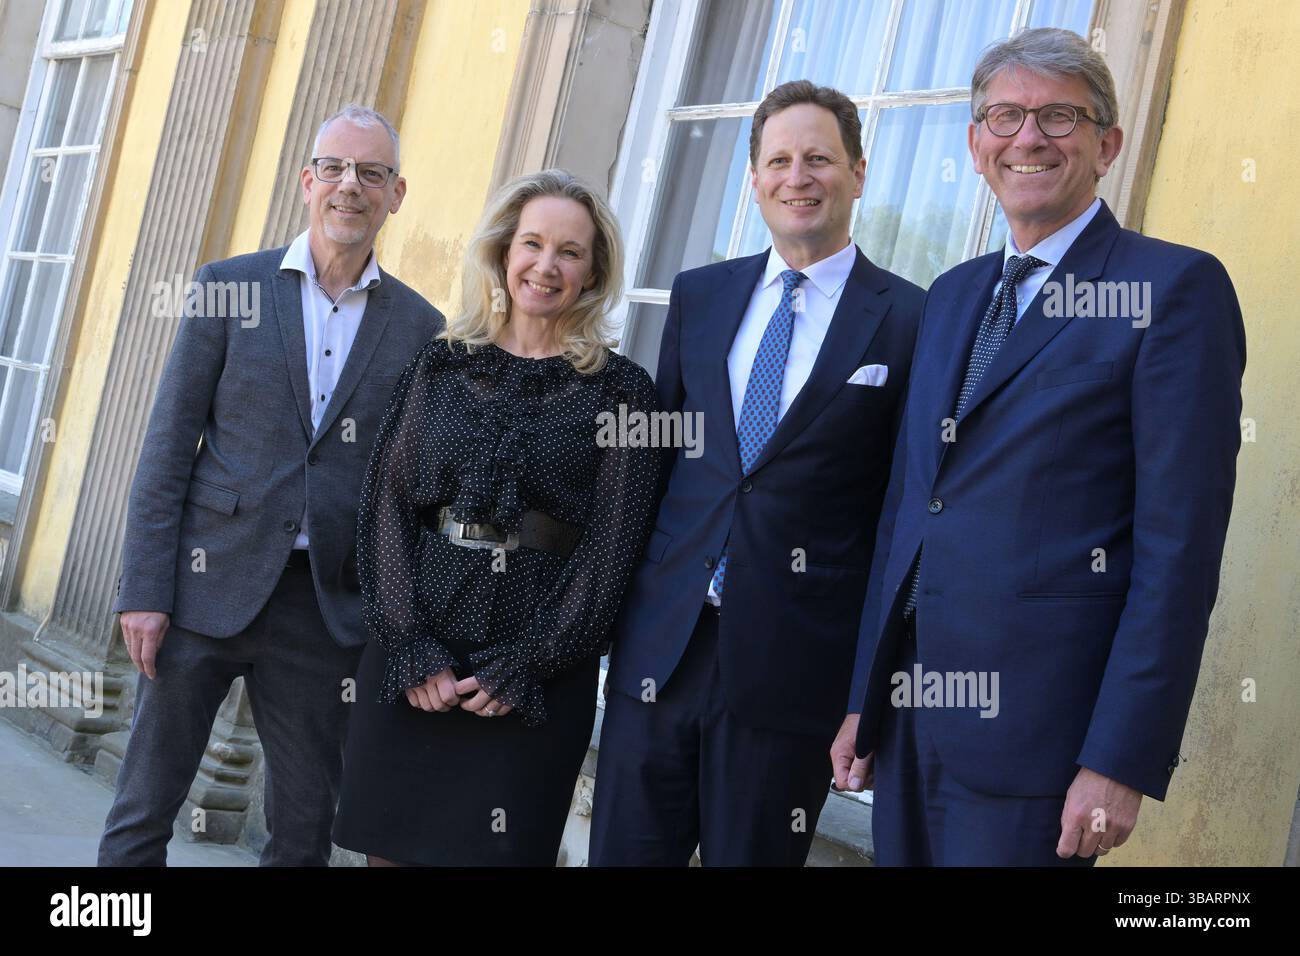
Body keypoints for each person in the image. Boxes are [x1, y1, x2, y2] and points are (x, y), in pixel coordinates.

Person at [832, 27, 1247, 866]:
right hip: (914, 715)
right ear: (978, 145)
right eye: (1004, 116)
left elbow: (1179, 553)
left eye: (1059, 116)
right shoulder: (950, 297)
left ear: (1109, 143)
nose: (1029, 137)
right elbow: (912, 508)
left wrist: (1119, 758)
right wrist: (863, 700)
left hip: (1044, 747)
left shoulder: (1171, 291)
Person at [589, 80, 925, 866]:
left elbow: (899, 520)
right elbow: (654, 471)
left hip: (794, 677)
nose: (797, 177)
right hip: (660, 656)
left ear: (859, 172)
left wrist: (863, 701)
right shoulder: (700, 295)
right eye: (778, 159)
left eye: (819, 158)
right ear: (753, 178)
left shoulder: (911, 319)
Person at [99, 105, 441, 865]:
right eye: (336, 168)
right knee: (143, 808)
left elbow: (405, 489)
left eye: (372, 173)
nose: (351, 186)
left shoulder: (422, 328)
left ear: (397, 193)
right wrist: (145, 589)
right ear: (308, 179)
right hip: (202, 587)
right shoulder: (228, 288)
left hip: (323, 613)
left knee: (303, 832)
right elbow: (165, 451)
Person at [331, 169, 659, 867]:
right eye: (532, 244)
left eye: (570, 252)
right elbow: (387, 504)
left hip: (534, 683)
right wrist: (408, 645)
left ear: (594, 269)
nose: (546, 266)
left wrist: (528, 665)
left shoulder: (625, 392)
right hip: (415, 659)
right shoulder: (443, 363)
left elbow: (613, 550)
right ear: (504, 253)